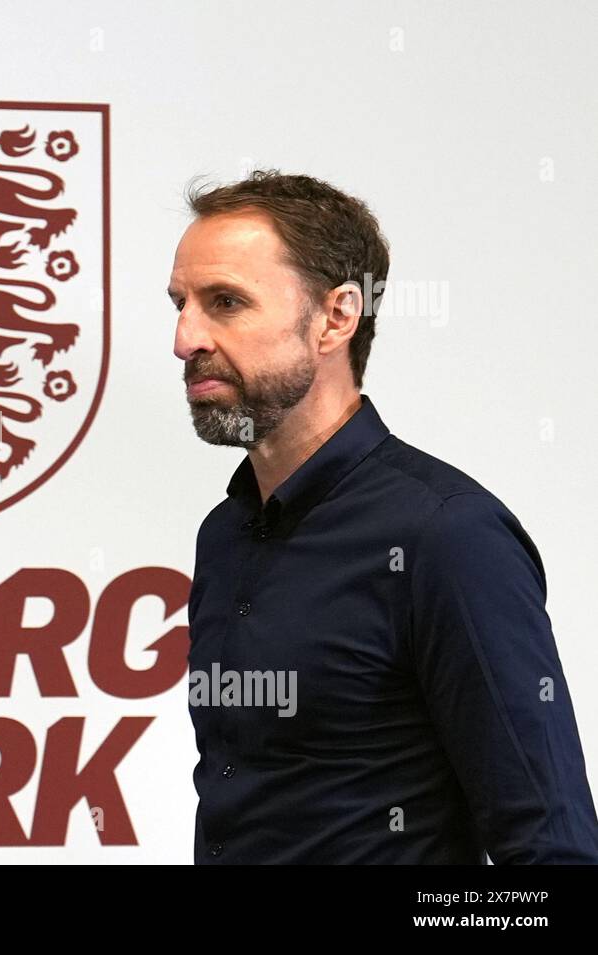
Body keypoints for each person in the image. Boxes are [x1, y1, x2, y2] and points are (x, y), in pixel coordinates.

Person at [170, 169, 598, 863]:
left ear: (336, 317)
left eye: (226, 302)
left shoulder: (447, 534)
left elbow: (553, 848)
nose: (185, 338)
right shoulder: (225, 534)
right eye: (180, 304)